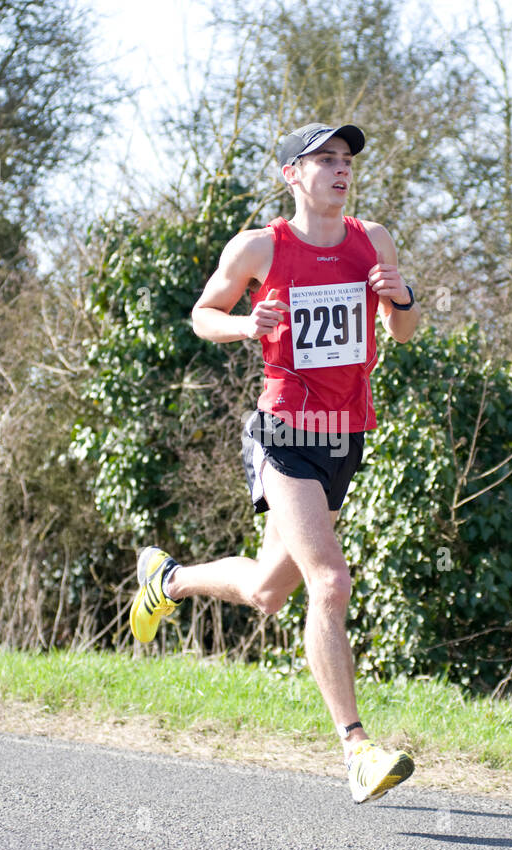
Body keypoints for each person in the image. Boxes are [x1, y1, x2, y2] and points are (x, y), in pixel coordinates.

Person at [128, 122, 419, 803]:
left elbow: (400, 331)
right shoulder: (262, 246)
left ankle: (166, 579)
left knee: (266, 590)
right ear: (293, 174)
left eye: (346, 160)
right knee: (331, 582)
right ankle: (356, 750)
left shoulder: (372, 240)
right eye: (325, 160)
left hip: (345, 436)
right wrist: (244, 325)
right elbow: (203, 313)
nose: (340, 169)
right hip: (284, 431)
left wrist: (399, 293)